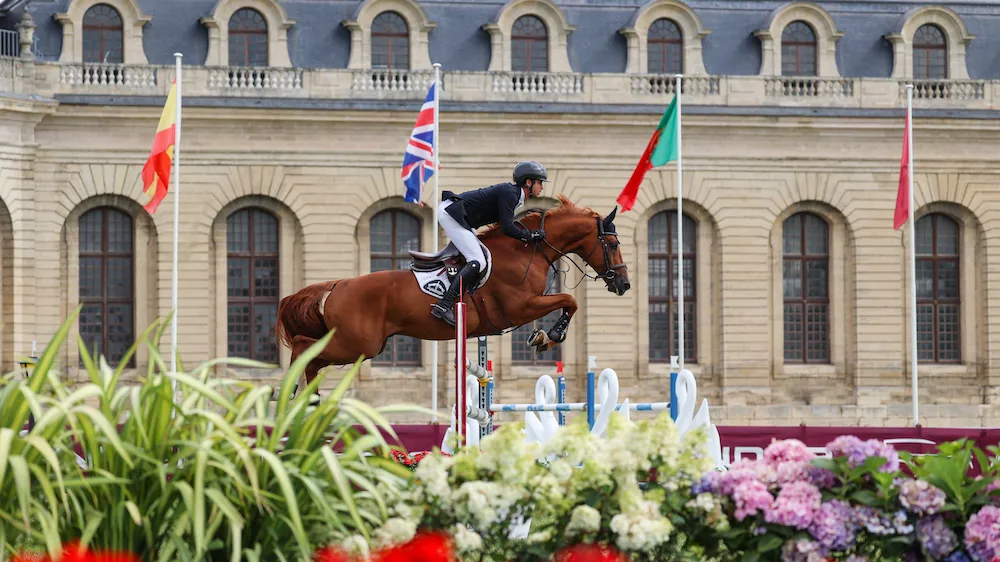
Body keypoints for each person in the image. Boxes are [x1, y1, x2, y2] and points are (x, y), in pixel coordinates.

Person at [430, 160, 549, 327]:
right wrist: (531, 235)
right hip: (451, 214)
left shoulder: (515, 195)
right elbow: (507, 227)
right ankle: (444, 305)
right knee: (478, 261)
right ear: (528, 182)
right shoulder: (511, 193)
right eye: (540, 182)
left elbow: (503, 227)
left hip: (461, 218)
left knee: (482, 257)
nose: (542, 187)